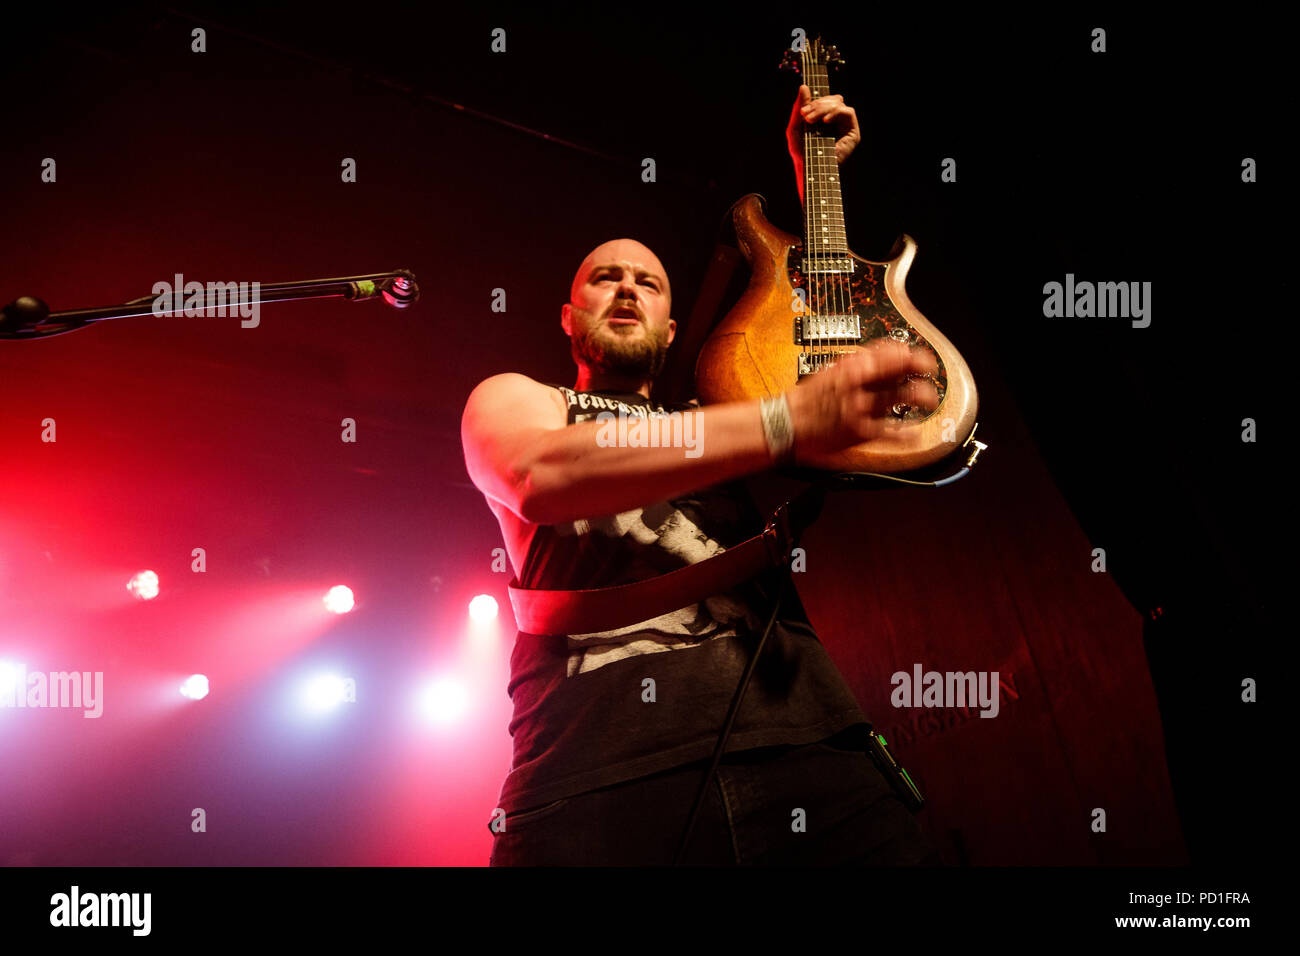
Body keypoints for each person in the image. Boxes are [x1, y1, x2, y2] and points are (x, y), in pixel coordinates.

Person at [461, 85, 942, 865]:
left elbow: (825, 337)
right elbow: (536, 473)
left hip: (813, 749)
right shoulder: (518, 397)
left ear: (672, 325)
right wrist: (787, 420)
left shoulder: (725, 406)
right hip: (592, 778)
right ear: (567, 315)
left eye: (646, 283)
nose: (625, 289)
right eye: (604, 278)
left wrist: (815, 171)